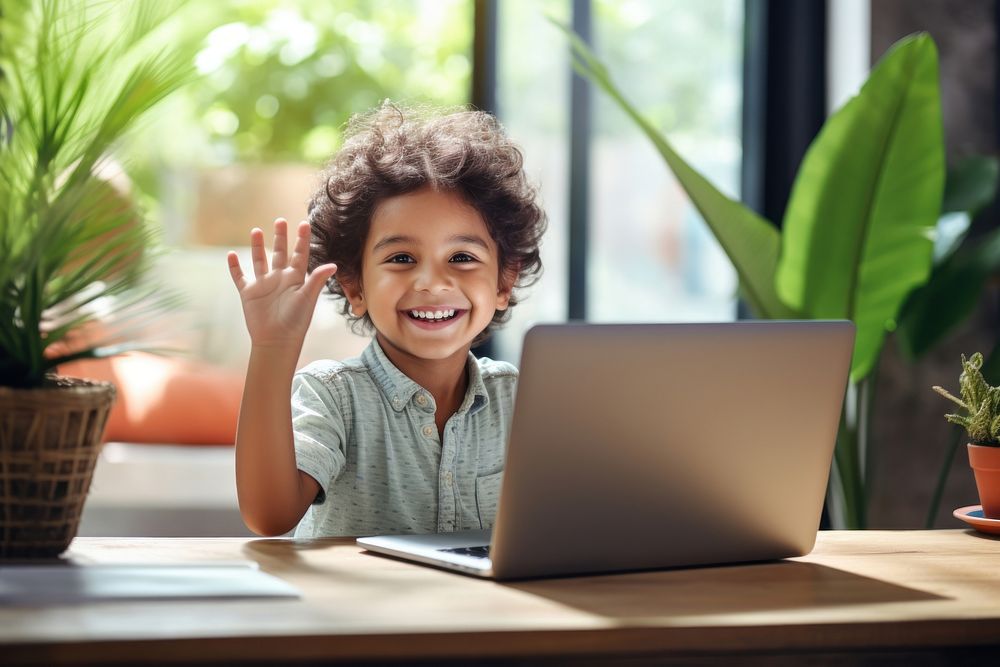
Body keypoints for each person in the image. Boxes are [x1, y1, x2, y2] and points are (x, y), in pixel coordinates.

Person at [227, 103, 546, 537]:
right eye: (401, 258)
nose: (432, 283)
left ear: (503, 284)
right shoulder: (333, 397)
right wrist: (272, 347)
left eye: (462, 257)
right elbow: (269, 515)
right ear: (356, 287)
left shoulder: (522, 400)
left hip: (482, 607)